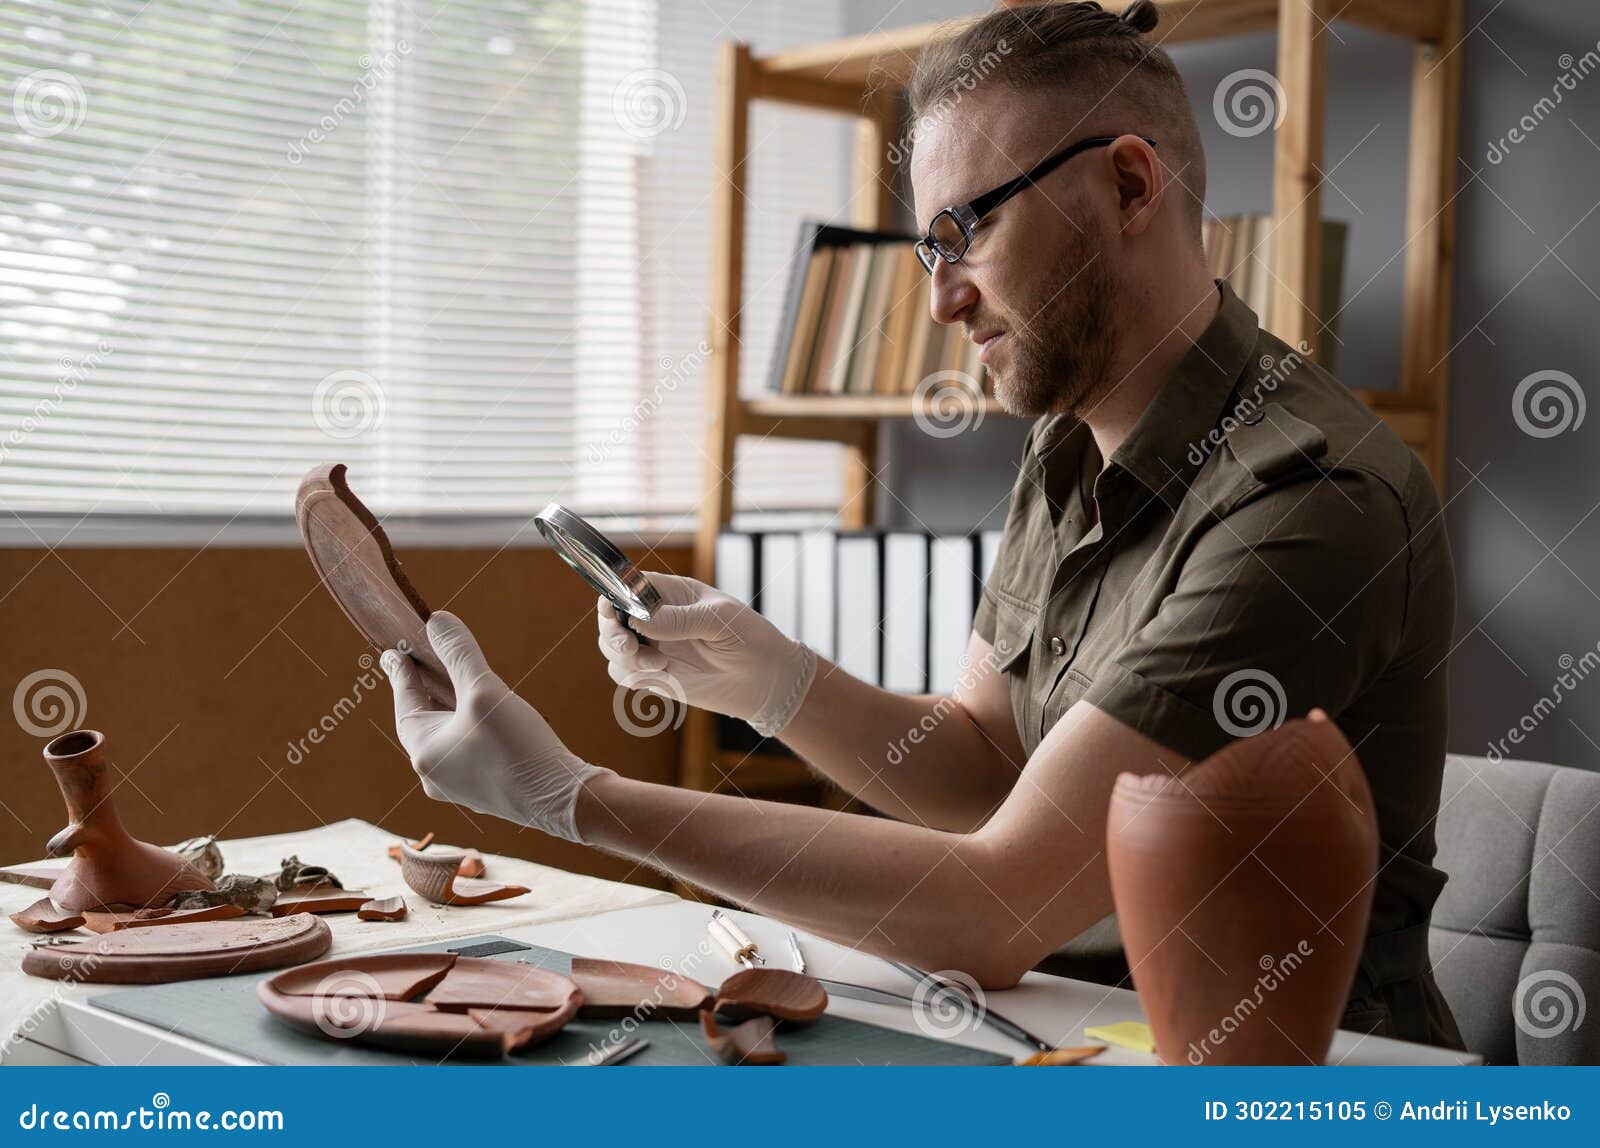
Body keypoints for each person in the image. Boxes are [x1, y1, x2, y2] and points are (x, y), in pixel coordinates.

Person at [381, 1, 1462, 1049]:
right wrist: (771, 680)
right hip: (1054, 1027)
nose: (943, 300)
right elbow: (988, 759)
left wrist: (575, 800)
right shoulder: (1073, 438)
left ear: (1128, 184)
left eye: (966, 229)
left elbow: (995, 907)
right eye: (925, 249)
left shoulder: (1309, 506)